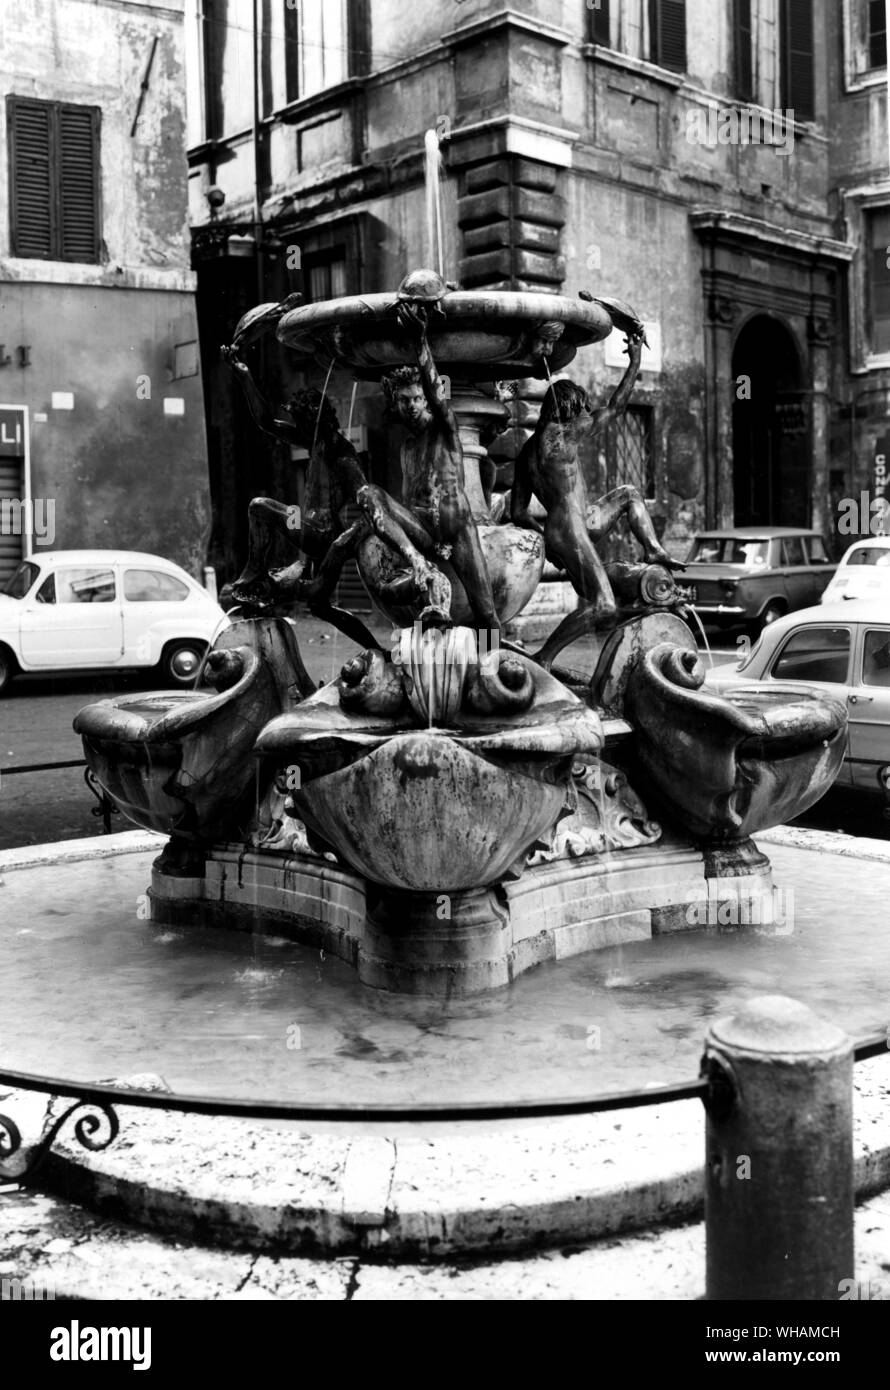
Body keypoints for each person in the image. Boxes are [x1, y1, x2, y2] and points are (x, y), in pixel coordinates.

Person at [222, 350, 439, 648]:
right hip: (311, 531)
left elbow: (367, 500)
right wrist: (245, 377)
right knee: (320, 607)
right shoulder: (314, 440)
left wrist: (349, 542)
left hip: (322, 535)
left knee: (260, 507)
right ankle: (376, 650)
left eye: (301, 424)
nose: (297, 430)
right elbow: (266, 422)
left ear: (316, 422)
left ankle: (253, 573)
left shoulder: (341, 454)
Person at [511, 333, 683, 669]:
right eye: (583, 407)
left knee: (629, 494)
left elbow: (518, 512)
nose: (587, 413)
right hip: (574, 529)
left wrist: (549, 543)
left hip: (573, 525)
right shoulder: (567, 431)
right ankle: (544, 656)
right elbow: (617, 407)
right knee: (604, 606)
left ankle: (649, 551)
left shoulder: (526, 453)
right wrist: (634, 361)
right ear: (571, 407)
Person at [381, 300, 500, 633]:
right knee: (371, 496)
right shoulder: (407, 448)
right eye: (404, 400)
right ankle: (425, 667)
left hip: (459, 528)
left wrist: (421, 342)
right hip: (425, 534)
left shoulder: (444, 427)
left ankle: (491, 670)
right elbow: (407, 496)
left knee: (486, 610)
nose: (413, 406)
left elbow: (437, 395)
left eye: (417, 398)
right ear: (396, 405)